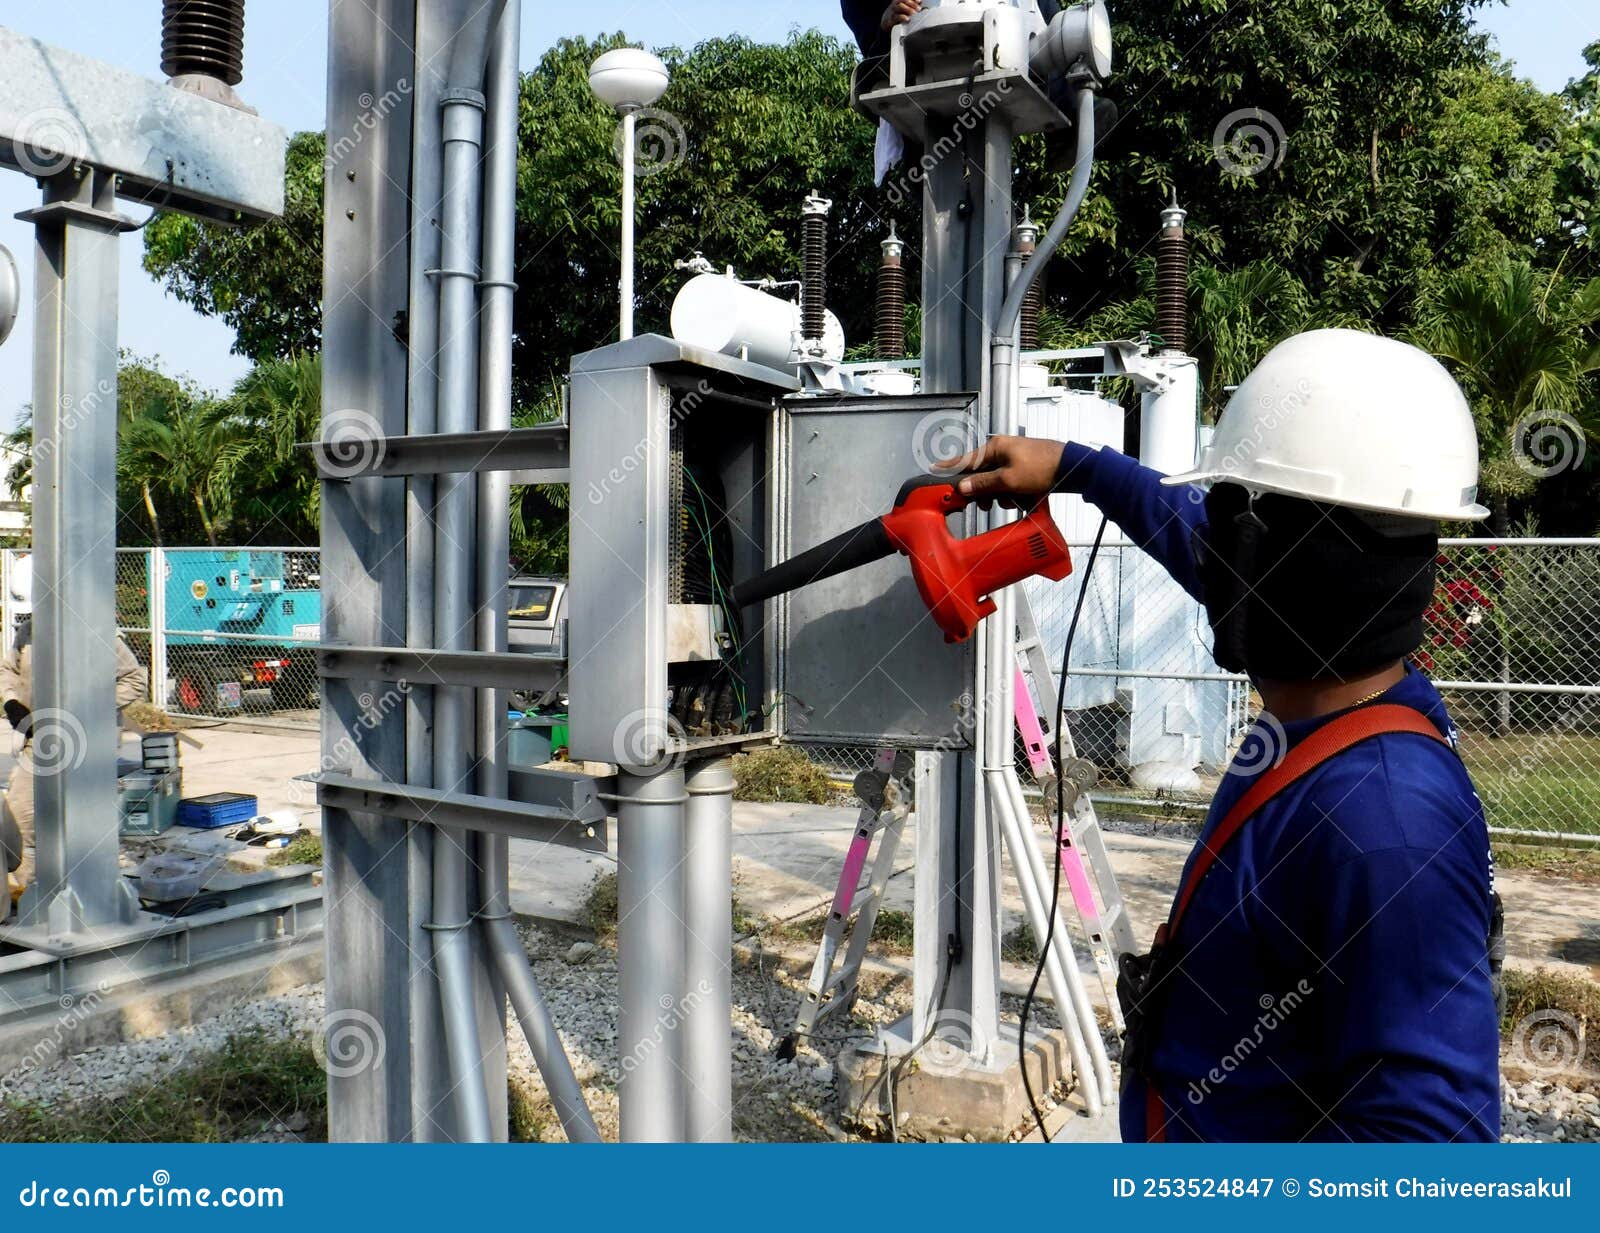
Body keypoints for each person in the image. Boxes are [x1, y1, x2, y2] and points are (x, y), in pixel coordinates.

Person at [948, 328, 1502, 1142]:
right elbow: (1209, 546)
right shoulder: (1339, 700)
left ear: (1276, 562)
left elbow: (1430, 1161)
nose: (1206, 547)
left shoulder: (1386, 825)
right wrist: (1077, 466)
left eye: (1228, 525)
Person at [0, 555, 146, 900]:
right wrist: (11, 701)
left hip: (88, 744)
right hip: (42, 741)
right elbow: (8, 669)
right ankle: (27, 894)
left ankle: (90, 894)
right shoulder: (29, 631)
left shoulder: (93, 630)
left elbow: (134, 679)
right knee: (21, 813)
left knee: (81, 821)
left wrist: (90, 707)